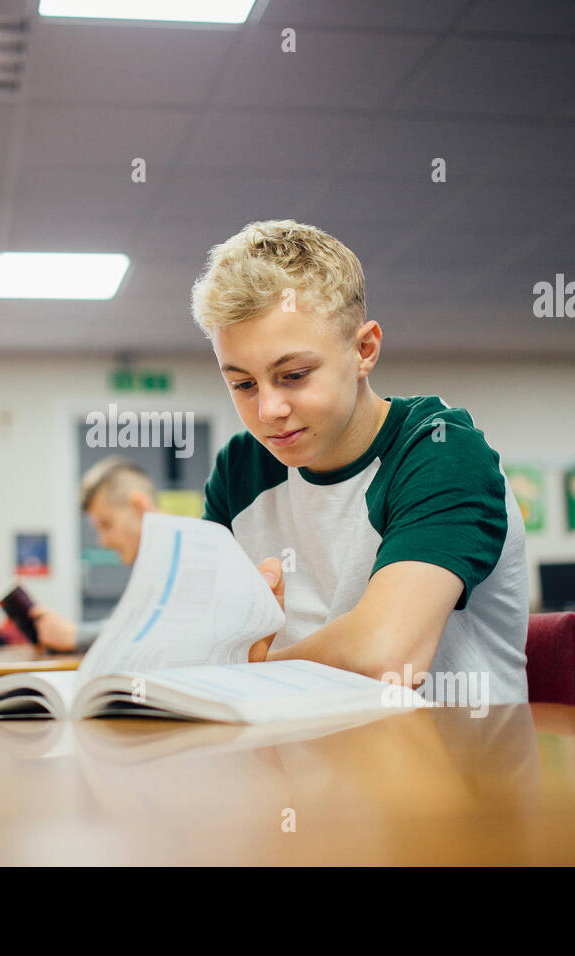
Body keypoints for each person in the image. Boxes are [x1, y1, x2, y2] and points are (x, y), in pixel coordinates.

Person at [190, 220, 529, 704]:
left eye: (294, 375)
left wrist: (249, 672)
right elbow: (199, 638)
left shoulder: (442, 450)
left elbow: (387, 654)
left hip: (453, 769)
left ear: (364, 350)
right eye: (243, 384)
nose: (267, 411)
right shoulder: (240, 468)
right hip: (300, 764)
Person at [27, 456, 158, 652]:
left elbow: (152, 630)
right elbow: (125, 623)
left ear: (139, 507)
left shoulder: (187, 557)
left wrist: (74, 636)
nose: (103, 542)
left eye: (106, 524)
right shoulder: (152, 566)